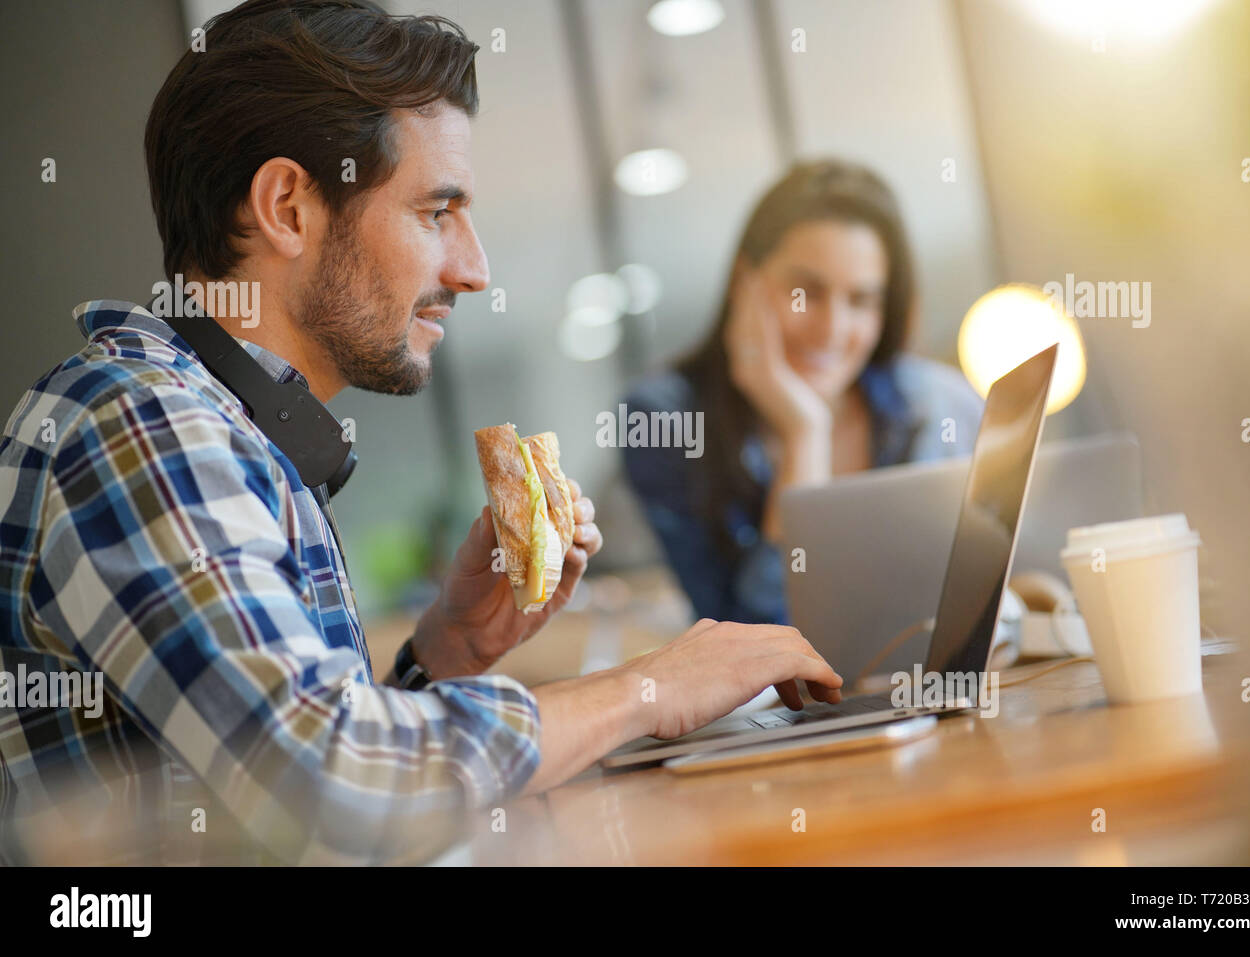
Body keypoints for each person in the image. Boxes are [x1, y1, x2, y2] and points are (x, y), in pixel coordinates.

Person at [0, 0, 842, 866]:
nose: (473, 270)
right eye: (436, 212)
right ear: (288, 207)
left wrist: (446, 651)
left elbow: (276, 786)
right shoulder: (141, 422)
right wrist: (647, 688)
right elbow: (333, 789)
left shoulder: (233, 432)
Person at [623, 160, 984, 625]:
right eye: (806, 292)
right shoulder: (663, 421)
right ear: (744, 282)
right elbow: (750, 645)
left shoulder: (940, 405)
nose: (832, 330)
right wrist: (805, 434)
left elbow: (1005, 585)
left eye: (860, 301)